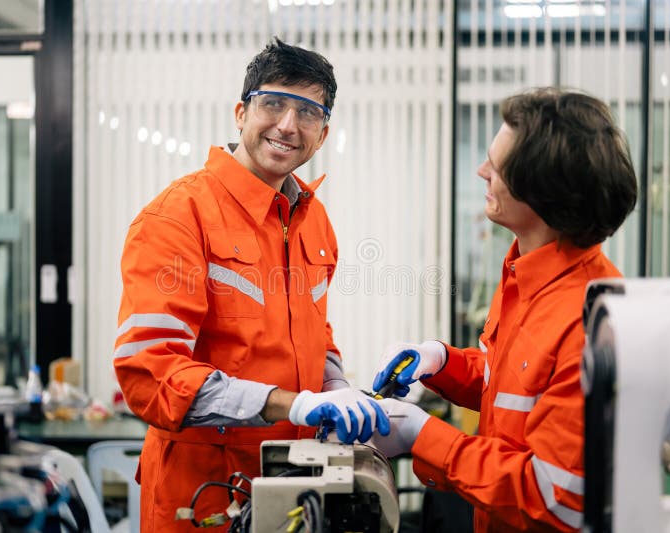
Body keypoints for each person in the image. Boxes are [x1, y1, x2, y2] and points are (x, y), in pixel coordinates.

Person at [114, 38, 388, 532]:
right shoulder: (178, 216)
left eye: (308, 112)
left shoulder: (313, 218)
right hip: (204, 499)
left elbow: (315, 332)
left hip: (298, 488)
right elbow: (150, 374)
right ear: (241, 113)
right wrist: (295, 404)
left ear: (322, 135)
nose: (288, 125)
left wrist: (336, 389)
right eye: (273, 103)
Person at [370, 88, 638, 532]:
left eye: (497, 166)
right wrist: (439, 362)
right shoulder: (523, 275)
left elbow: (554, 497)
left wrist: (425, 435)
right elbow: (513, 387)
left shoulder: (592, 321)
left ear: (543, 192)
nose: (481, 171)